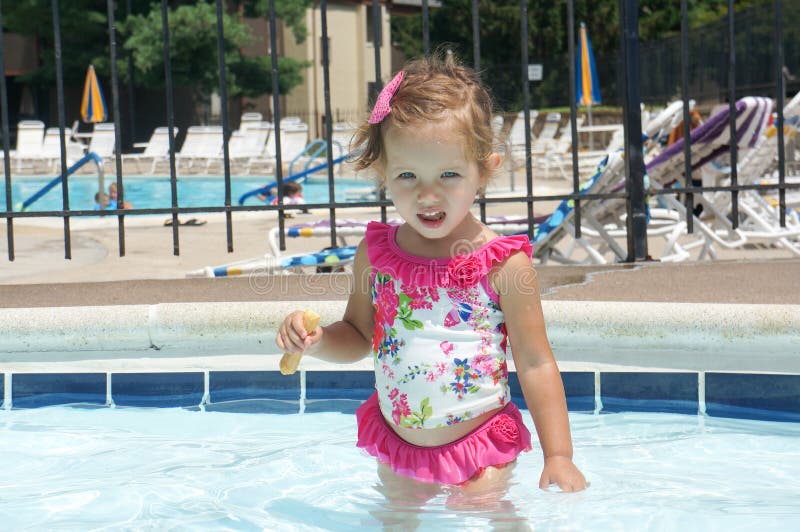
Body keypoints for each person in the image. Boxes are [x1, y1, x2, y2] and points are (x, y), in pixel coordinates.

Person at [275, 55, 586, 496]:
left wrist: (559, 456)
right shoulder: (375, 255)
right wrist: (320, 341)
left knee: (479, 518)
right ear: (383, 174)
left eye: (449, 174)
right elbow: (360, 334)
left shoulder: (502, 264)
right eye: (407, 174)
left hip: (480, 452)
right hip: (399, 446)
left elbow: (535, 362)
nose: (427, 193)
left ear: (485, 170)